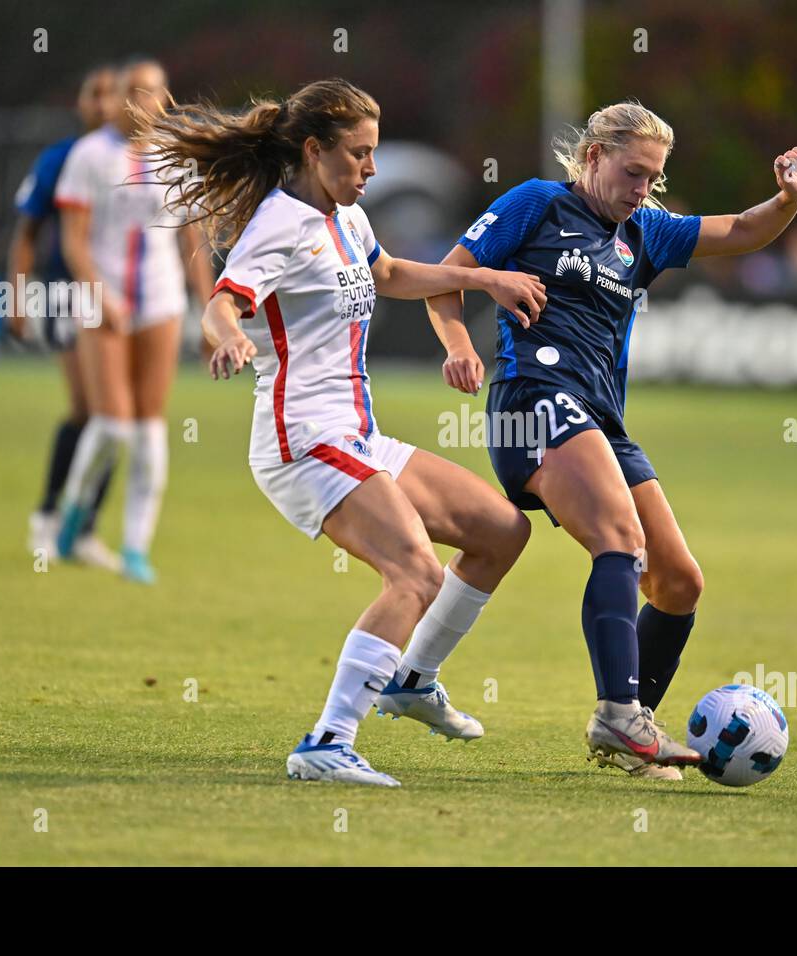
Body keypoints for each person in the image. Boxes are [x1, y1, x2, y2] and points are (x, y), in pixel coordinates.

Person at [138, 78, 547, 786]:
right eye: (358, 155)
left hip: (357, 435)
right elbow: (222, 303)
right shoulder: (277, 225)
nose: (372, 169)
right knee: (414, 572)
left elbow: (387, 273)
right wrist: (228, 337)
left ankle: (410, 679)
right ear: (313, 150)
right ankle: (327, 743)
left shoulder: (348, 218)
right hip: (302, 441)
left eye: (373, 153)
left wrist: (486, 281)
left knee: (501, 531)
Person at [423, 101, 797, 779]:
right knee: (619, 541)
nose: (642, 189)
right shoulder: (537, 204)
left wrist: (787, 198)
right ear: (594, 156)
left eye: (653, 179)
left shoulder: (648, 234)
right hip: (535, 402)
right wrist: (458, 345)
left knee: (678, 582)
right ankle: (618, 714)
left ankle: (634, 735)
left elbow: (744, 231)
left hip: (601, 419)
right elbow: (448, 278)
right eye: (633, 172)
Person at [52, 58, 216, 584]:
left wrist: (211, 312)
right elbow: (73, 239)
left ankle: (136, 548)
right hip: (104, 299)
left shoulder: (174, 154)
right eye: (130, 92)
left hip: (160, 301)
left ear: (165, 98)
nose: (138, 102)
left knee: (149, 428)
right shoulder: (89, 155)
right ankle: (73, 515)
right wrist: (99, 295)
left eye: (150, 92)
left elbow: (193, 239)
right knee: (114, 424)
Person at [9, 64, 121, 572]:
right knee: (88, 408)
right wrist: (16, 295)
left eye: (110, 95)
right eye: (93, 94)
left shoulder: (136, 159)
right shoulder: (62, 159)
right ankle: (49, 517)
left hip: (127, 298)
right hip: (68, 291)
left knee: (121, 418)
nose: (101, 104)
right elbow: (27, 232)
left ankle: (84, 529)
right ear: (81, 103)